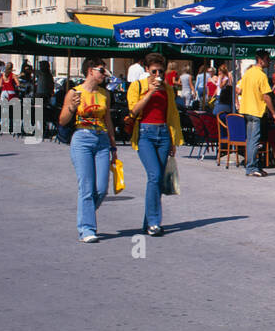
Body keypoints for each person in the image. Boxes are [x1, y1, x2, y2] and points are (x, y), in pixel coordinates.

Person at [59, 59, 117, 242]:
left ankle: (86, 214)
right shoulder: (75, 92)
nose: (105, 73)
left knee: (101, 188)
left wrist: (113, 145)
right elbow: (62, 120)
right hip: (82, 138)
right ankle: (87, 229)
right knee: (86, 186)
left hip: (101, 139)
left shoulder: (104, 94)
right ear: (90, 71)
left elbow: (108, 120)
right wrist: (71, 107)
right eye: (102, 70)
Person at [127, 54, 183, 235]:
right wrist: (150, 91)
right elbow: (133, 110)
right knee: (154, 175)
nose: (158, 74)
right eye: (154, 71)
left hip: (163, 134)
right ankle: (153, 222)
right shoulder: (137, 86)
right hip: (145, 134)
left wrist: (174, 140)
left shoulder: (168, 89)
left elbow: (173, 115)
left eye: (161, 71)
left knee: (157, 181)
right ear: (146, 70)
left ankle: (149, 222)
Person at [238, 50, 275, 177]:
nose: (269, 62)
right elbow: (266, 96)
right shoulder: (261, 76)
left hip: (246, 109)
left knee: (250, 140)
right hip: (256, 110)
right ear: (260, 60)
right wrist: (274, 113)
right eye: (267, 59)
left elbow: (238, 90)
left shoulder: (248, 73)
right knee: (254, 140)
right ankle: (251, 167)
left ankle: (252, 165)